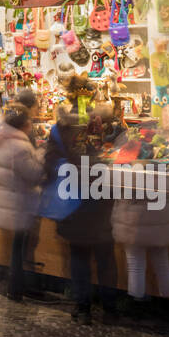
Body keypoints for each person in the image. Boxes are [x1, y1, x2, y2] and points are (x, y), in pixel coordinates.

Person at [47, 110, 119, 325]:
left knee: (79, 258)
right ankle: (110, 308)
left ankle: (83, 308)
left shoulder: (60, 138)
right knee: (105, 257)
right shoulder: (99, 136)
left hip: (73, 206)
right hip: (99, 205)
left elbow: (49, 168)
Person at [0, 108, 45, 301]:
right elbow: (33, 174)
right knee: (19, 247)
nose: (31, 125)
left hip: (6, 201)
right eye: (29, 122)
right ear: (23, 125)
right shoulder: (20, 146)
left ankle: (14, 285)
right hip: (19, 203)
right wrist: (42, 155)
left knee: (15, 246)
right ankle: (16, 288)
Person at [111, 180, 169, 314]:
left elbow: (121, 196)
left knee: (135, 264)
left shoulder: (129, 172)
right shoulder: (165, 169)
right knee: (163, 265)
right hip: (161, 226)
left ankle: (137, 304)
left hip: (135, 225)